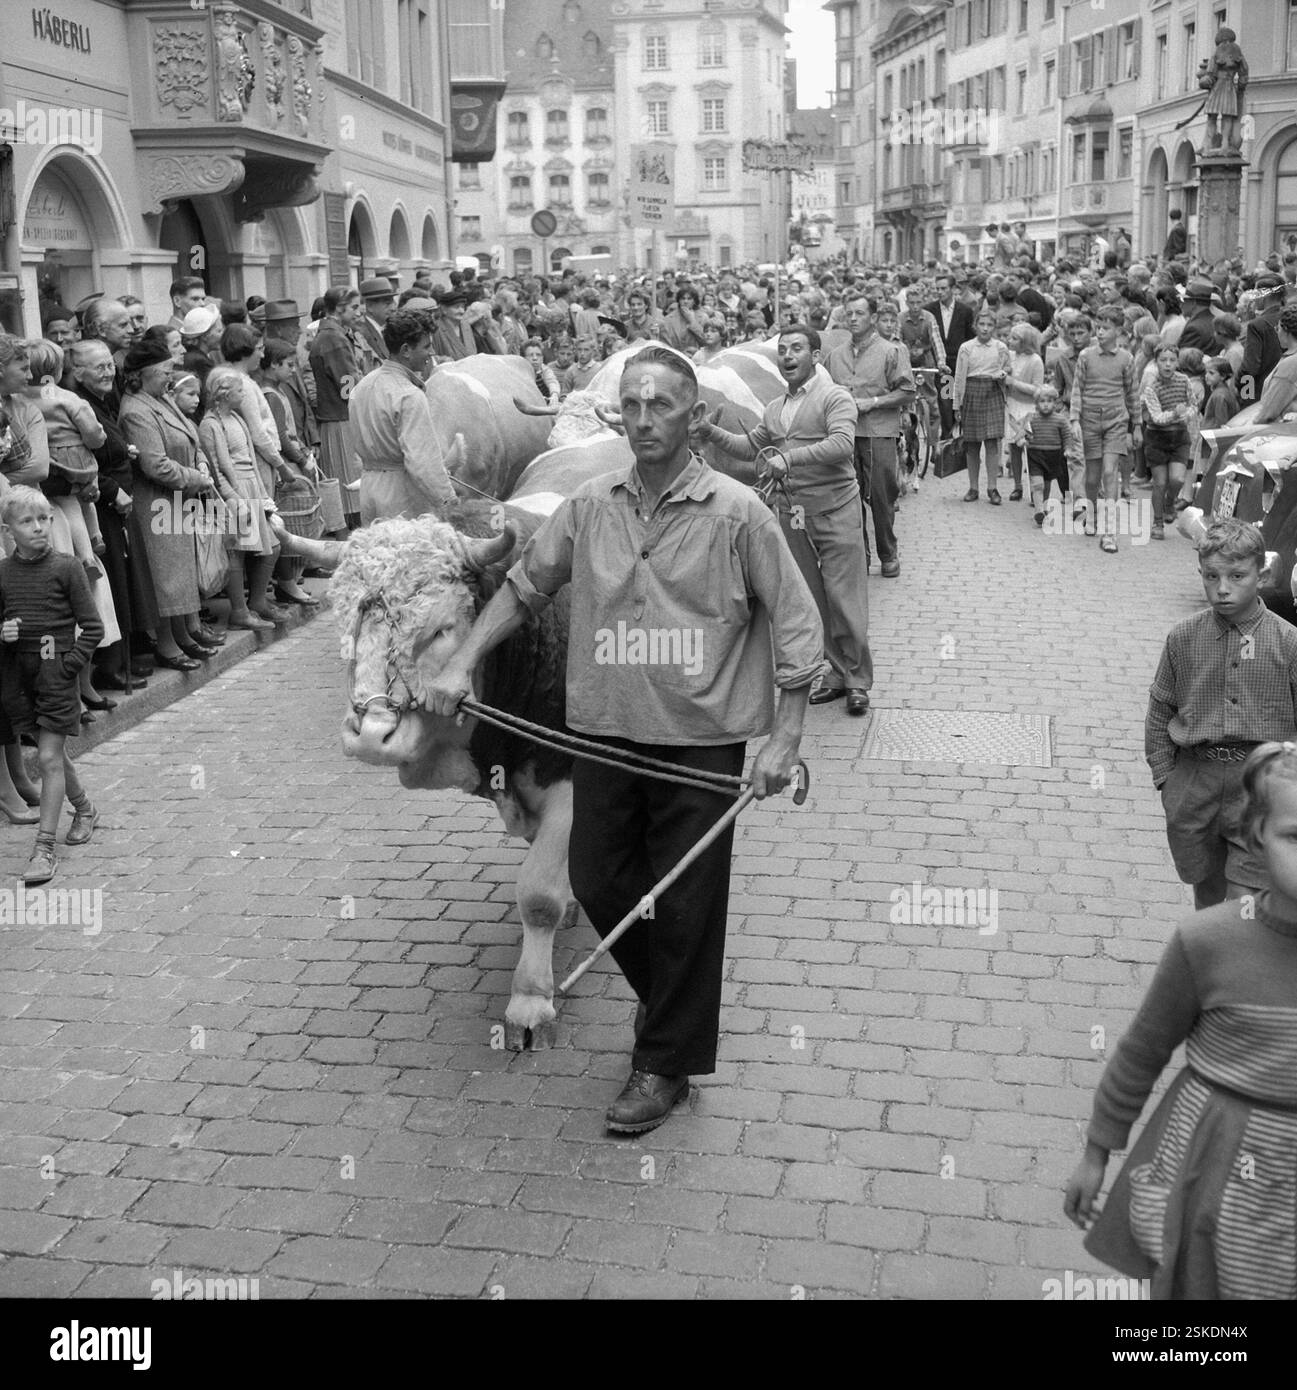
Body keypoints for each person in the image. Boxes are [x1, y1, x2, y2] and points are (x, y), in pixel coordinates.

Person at [426, 345, 822, 1135]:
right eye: (632, 405)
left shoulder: (740, 513)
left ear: (696, 416)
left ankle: (663, 1062)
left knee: (684, 907)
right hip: (602, 733)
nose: (644, 419)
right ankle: (674, 1009)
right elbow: (526, 586)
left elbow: (796, 624)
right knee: (600, 883)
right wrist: (465, 660)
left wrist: (785, 739)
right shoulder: (587, 504)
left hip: (700, 742)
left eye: (662, 405)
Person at [1066, 738, 1297, 1299]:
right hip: (1213, 1170)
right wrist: (1098, 1152)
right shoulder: (1209, 941)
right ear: (1256, 833)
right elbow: (1143, 1049)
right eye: (1296, 837)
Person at [700, 324, 872, 715]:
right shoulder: (775, 408)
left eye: (797, 349)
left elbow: (843, 444)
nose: (788, 356)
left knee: (845, 598)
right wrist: (710, 431)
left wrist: (789, 458)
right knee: (811, 598)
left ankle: (859, 681)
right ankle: (835, 672)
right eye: (783, 350)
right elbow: (749, 448)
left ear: (815, 356)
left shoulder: (835, 398)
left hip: (836, 508)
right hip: (793, 513)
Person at [1146, 518, 1297, 908]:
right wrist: (1167, 779)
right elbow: (1161, 707)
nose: (1223, 588)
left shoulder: (1288, 642)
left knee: (1246, 899)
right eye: (1211, 576)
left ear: (1262, 575)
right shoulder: (1183, 637)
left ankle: (1246, 963)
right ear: (1200, 573)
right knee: (1208, 898)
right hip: (1197, 780)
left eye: (1237, 576)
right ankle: (1211, 964)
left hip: (1262, 782)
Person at [0, 486, 103, 884]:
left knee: (46, 758)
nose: (39, 527)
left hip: (55, 673)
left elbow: (92, 628)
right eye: (27, 521)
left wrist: (67, 667)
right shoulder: (4, 572)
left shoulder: (67, 567)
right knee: (53, 753)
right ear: (8, 530)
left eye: (44, 519)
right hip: (20, 677)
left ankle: (43, 848)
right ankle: (85, 808)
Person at [825, 295, 915, 572]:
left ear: (873, 318)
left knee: (880, 495)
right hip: (844, 435)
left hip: (879, 432)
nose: (853, 318)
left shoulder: (891, 351)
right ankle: (859, 556)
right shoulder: (835, 355)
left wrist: (873, 402)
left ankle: (888, 555)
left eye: (860, 313)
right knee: (849, 497)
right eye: (849, 313)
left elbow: (907, 391)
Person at [349, 308, 458, 525]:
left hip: (369, 487)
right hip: (402, 495)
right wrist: (448, 501)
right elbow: (422, 463)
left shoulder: (362, 386)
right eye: (426, 346)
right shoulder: (410, 396)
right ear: (406, 350)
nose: (432, 353)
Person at [198, 368, 283, 632]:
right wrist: (234, 499)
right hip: (233, 493)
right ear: (223, 394)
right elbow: (216, 468)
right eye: (238, 390)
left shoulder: (237, 417)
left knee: (273, 543)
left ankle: (257, 600)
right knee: (236, 550)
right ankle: (239, 611)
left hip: (251, 486)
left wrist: (262, 493)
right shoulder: (211, 424)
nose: (243, 393)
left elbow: (251, 460)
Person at [1071, 305, 1140, 552]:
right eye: (1098, 327)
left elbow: (1133, 393)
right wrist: (1073, 419)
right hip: (1089, 420)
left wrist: (1137, 425)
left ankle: (1109, 531)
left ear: (1118, 331)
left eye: (1106, 328)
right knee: (1092, 477)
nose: (1100, 332)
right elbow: (1077, 388)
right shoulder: (1086, 356)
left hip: (1116, 420)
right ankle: (1092, 515)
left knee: (1111, 473)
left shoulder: (1127, 359)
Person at [308, 286, 364, 530]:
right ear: (339, 308)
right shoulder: (334, 338)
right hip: (341, 419)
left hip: (336, 418)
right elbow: (347, 387)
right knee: (349, 491)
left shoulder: (331, 334)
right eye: (354, 307)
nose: (358, 312)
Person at [952, 308, 1010, 504]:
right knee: (972, 444)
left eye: (990, 325)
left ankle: (992, 487)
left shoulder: (1001, 347)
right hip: (972, 393)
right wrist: (956, 405)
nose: (985, 329)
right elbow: (959, 377)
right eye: (982, 324)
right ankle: (973, 487)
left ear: (994, 327)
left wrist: (1003, 374)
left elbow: (1007, 368)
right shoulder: (966, 348)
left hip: (992, 392)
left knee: (992, 443)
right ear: (975, 326)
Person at [1141, 346, 1194, 543]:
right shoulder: (1151, 388)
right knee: (1160, 482)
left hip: (1179, 437)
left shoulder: (1184, 381)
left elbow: (1192, 406)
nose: (1168, 364)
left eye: (1172, 360)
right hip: (1157, 438)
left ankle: (1169, 502)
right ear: (1157, 363)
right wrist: (1175, 414)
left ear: (1178, 363)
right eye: (1163, 360)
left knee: (1177, 479)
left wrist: (1185, 415)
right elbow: (1156, 416)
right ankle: (1157, 523)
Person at [926, 273, 976, 440]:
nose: (940, 292)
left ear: (953, 289)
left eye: (943, 288)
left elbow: (970, 338)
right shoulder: (929, 310)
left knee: (958, 402)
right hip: (941, 365)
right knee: (945, 401)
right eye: (937, 289)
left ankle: (958, 436)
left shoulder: (965, 311)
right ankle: (946, 437)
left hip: (959, 363)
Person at [1023, 384, 1077, 526]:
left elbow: (1067, 436)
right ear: (1036, 403)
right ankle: (1038, 510)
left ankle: (1043, 507)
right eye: (1042, 401)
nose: (1046, 405)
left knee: (1046, 484)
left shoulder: (1060, 420)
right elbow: (1024, 433)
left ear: (1054, 402)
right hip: (1035, 454)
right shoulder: (1031, 419)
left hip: (1053, 455)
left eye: (1049, 401)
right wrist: (1023, 439)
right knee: (1038, 484)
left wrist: (1068, 449)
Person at [1004, 322, 1044, 503]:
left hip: (1028, 408)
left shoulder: (1035, 360)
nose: (1009, 341)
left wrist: (1014, 382)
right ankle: (1017, 485)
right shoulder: (1009, 355)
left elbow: (1037, 389)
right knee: (1013, 447)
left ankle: (1035, 489)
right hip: (1011, 405)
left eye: (1015, 338)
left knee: (1030, 449)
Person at [1240, 276, 1287, 405]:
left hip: (1261, 395)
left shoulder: (1256, 325)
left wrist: (1246, 396)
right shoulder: (1289, 317)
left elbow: (1250, 368)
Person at [1250, 304, 1297, 424]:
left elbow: (1268, 412)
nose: (1277, 332)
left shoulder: (1290, 365)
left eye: (1278, 328)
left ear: (1285, 329)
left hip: (1281, 435)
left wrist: (1248, 427)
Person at [355, 277, 395, 371]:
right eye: (387, 304)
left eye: (393, 303)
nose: (393, 308)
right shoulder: (362, 333)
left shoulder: (387, 328)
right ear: (370, 307)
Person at [1178, 279, 1221, 356]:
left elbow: (1183, 358)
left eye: (1185, 300)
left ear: (1193, 303)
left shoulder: (1194, 328)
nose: (1181, 305)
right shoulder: (1216, 320)